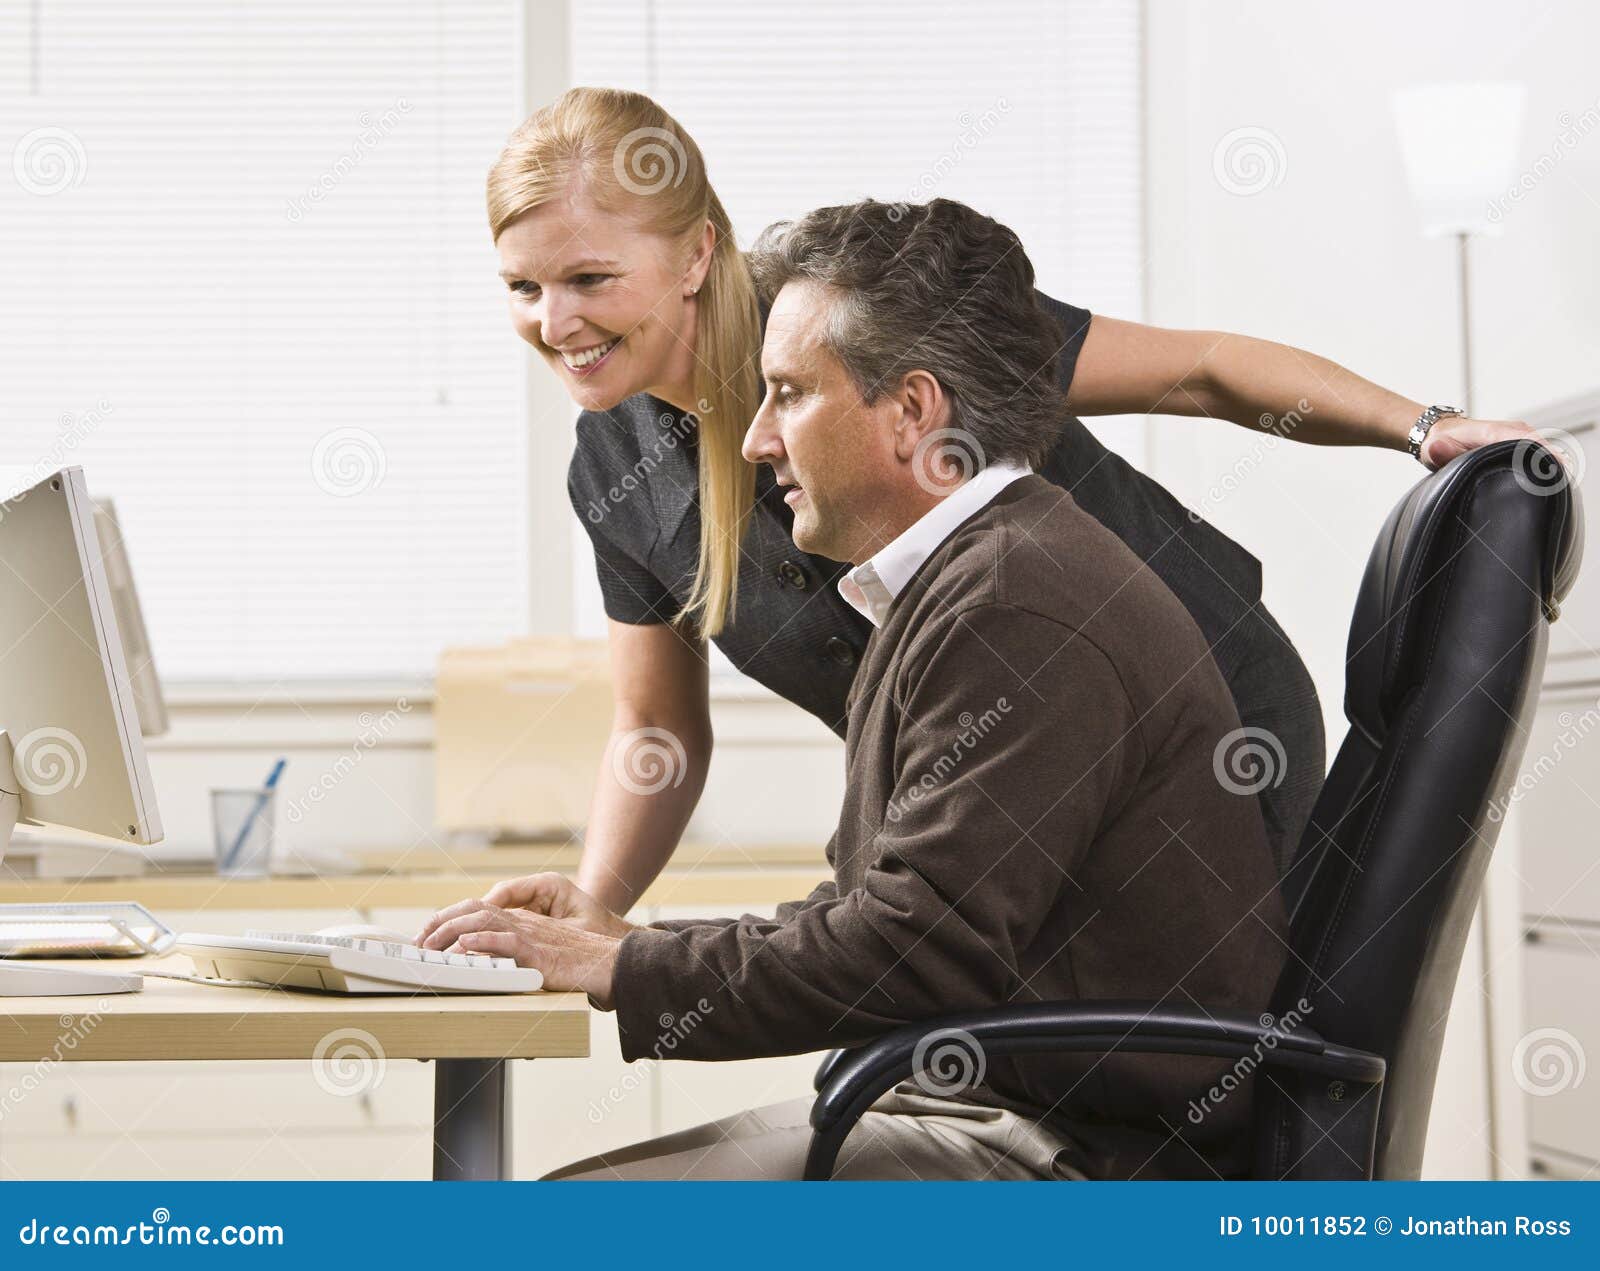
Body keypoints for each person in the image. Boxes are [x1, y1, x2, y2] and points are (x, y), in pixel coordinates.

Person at [484, 85, 1536, 907]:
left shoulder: (855, 308)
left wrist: (1419, 425)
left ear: (696, 253)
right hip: (993, 792)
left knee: (1125, 1056)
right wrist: (592, 908)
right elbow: (656, 727)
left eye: (589, 278)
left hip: (1204, 722)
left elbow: (1202, 372)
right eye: (524, 288)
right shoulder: (613, 474)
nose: (554, 323)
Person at [419, 198, 1290, 1180]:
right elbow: (880, 913)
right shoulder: (955, 580)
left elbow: (914, 949)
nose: (753, 439)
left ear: (911, 410)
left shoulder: (1014, 605)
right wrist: (624, 939)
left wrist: (622, 965)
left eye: (788, 395)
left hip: (1066, 1152)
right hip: (975, 1105)